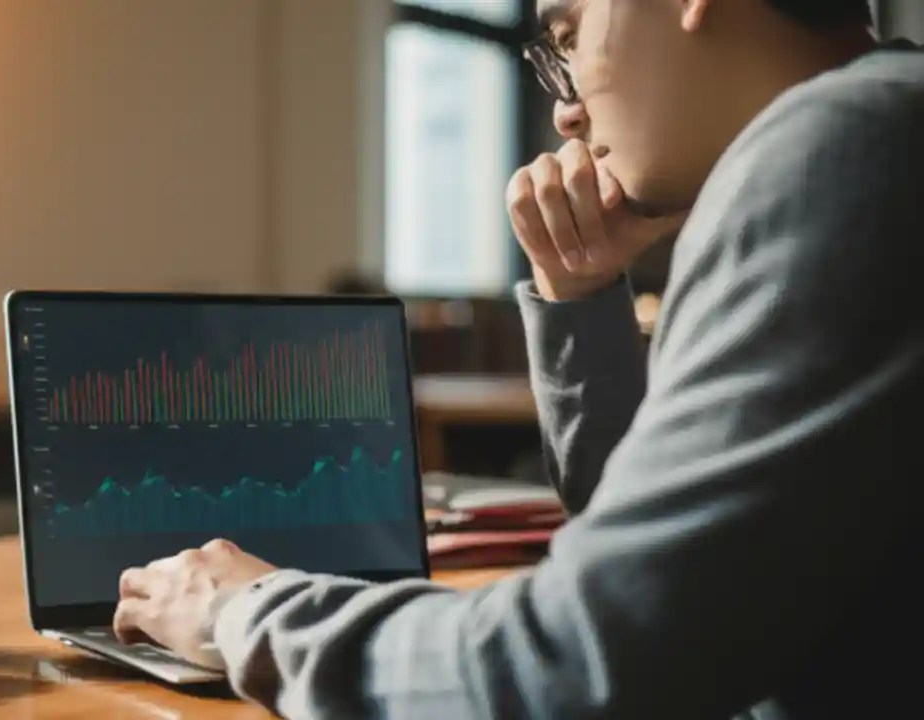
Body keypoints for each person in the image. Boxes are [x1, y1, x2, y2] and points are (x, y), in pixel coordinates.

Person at [112, 1, 923, 717]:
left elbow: (576, 664)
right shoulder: (880, 127)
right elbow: (679, 577)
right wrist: (578, 297)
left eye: (568, 36)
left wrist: (243, 611)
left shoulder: (843, 149)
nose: (567, 115)